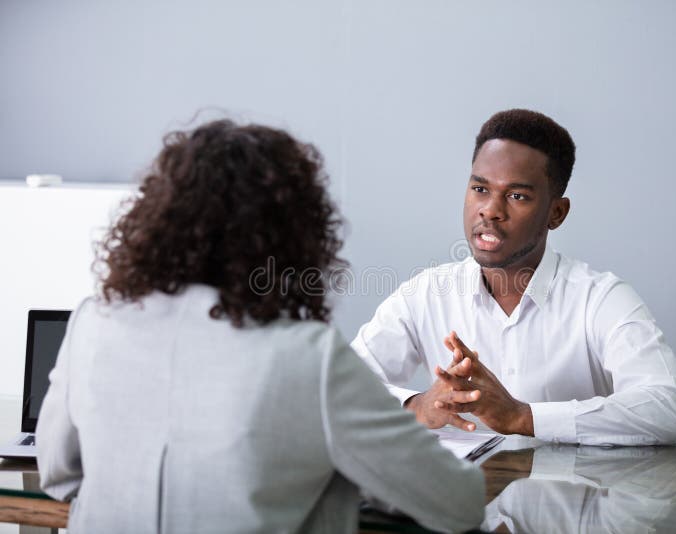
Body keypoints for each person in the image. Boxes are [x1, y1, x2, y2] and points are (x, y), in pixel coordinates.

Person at [37, 119, 484, 533]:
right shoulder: (311, 357)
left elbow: (57, 475)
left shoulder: (92, 323)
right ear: (294, 234)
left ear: (156, 219)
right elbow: (459, 502)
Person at [352, 109, 676, 446]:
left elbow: (672, 409)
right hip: (463, 501)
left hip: (565, 500)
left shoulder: (600, 299)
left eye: (517, 196)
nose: (490, 210)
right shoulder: (425, 294)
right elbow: (336, 387)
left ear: (556, 213)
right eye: (480, 189)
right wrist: (417, 407)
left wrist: (522, 417)